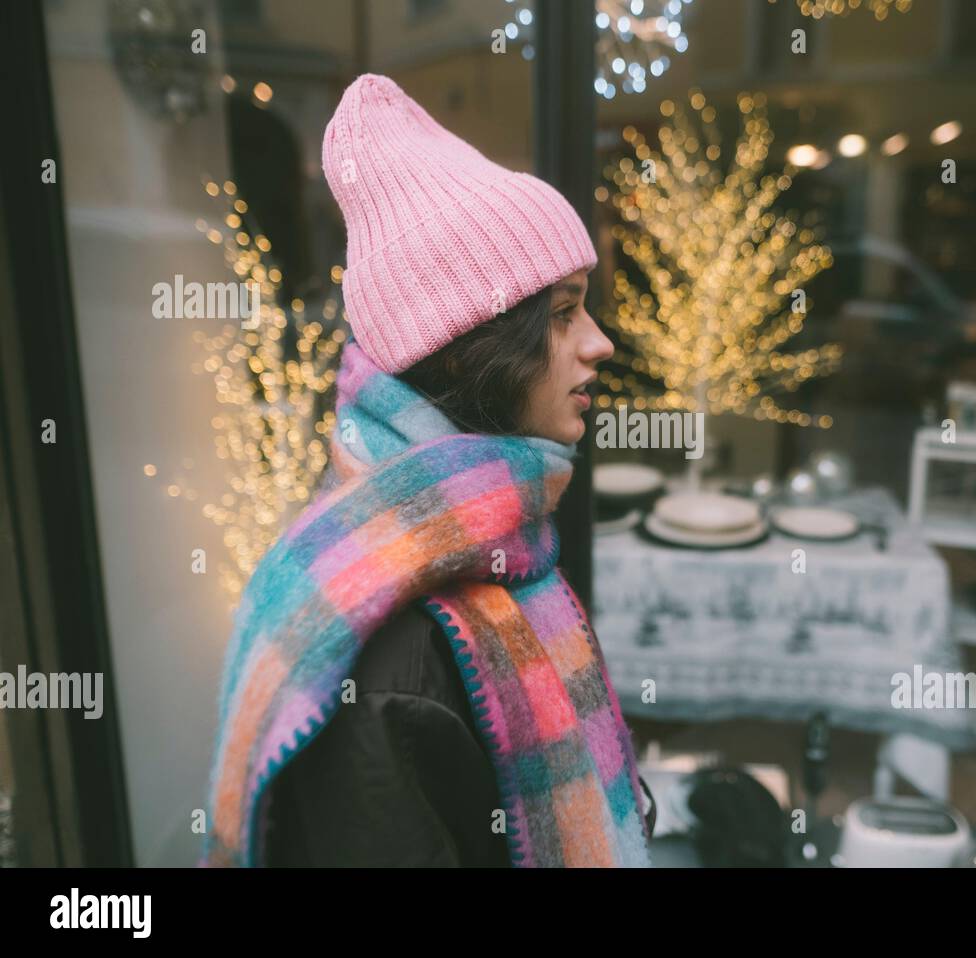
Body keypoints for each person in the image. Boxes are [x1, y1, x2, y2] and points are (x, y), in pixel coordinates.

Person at [201, 74, 654, 868]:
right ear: (476, 344)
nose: (599, 341)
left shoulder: (496, 542)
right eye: (561, 311)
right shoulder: (391, 660)